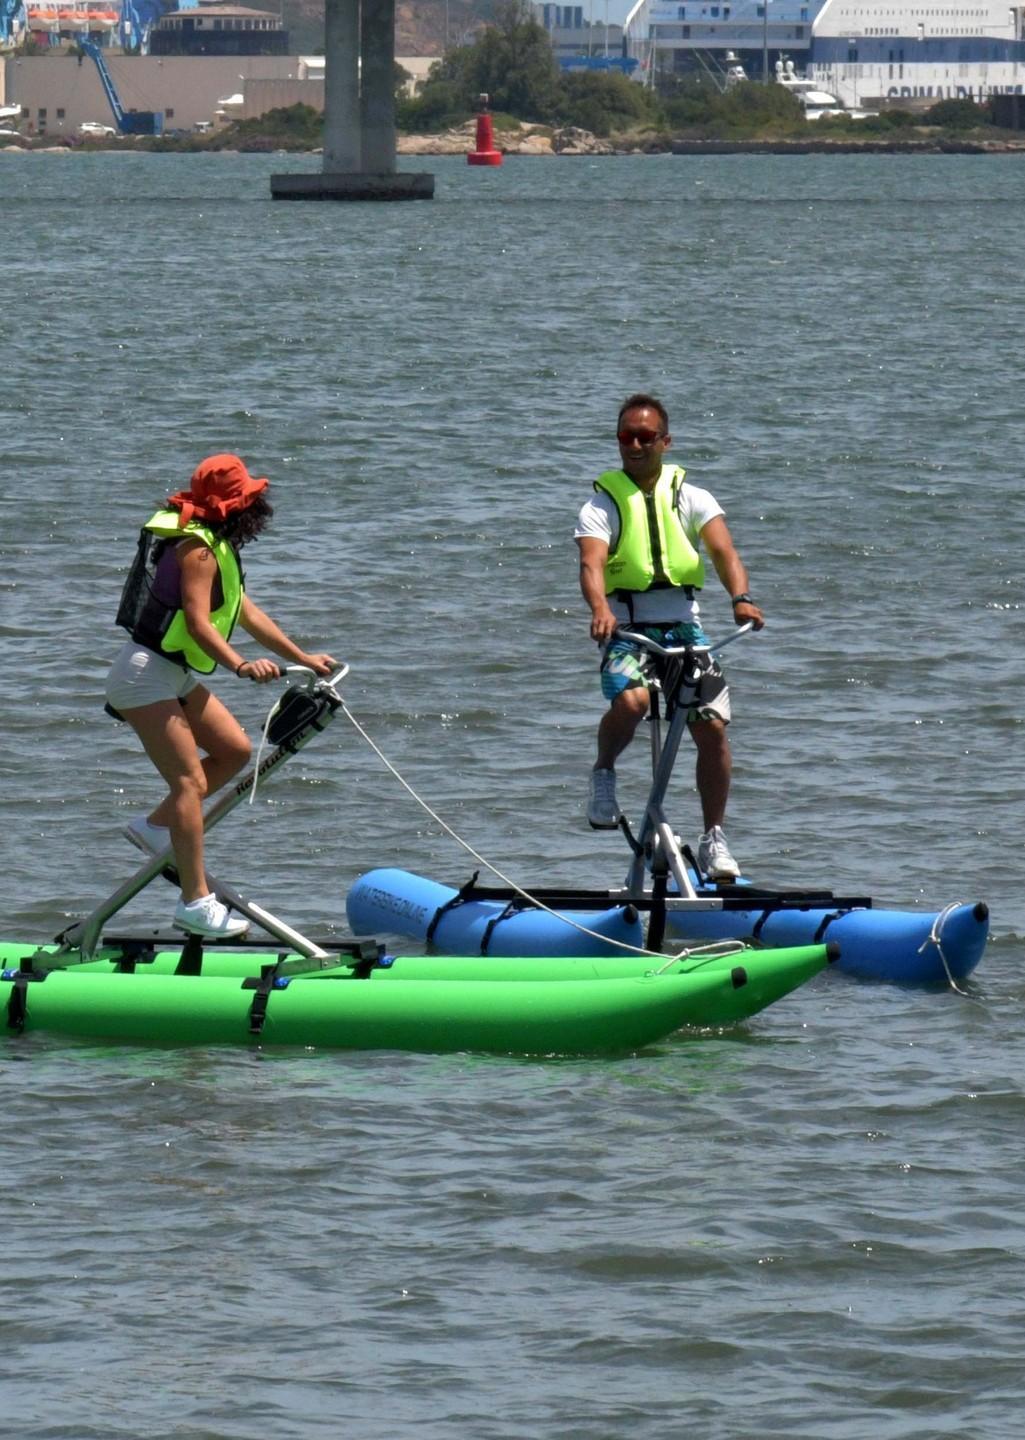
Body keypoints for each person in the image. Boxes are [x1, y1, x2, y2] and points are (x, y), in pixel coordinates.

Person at [105, 453, 336, 938]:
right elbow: (196, 622)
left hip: (171, 674)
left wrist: (303, 656)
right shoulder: (197, 550)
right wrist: (240, 665)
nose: (258, 507)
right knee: (189, 783)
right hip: (144, 675)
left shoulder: (218, 549)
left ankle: (156, 827)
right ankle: (195, 903)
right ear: (233, 507)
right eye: (251, 499)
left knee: (234, 750)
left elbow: (248, 614)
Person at [574, 394, 764, 880]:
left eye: (645, 437)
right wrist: (600, 609)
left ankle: (714, 839)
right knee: (633, 701)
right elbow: (591, 564)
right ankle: (603, 772)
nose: (634, 445)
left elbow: (723, 551)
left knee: (712, 727)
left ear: (665, 441)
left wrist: (741, 597)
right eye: (626, 436)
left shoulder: (693, 497)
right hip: (627, 628)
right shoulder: (600, 505)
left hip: (685, 629)